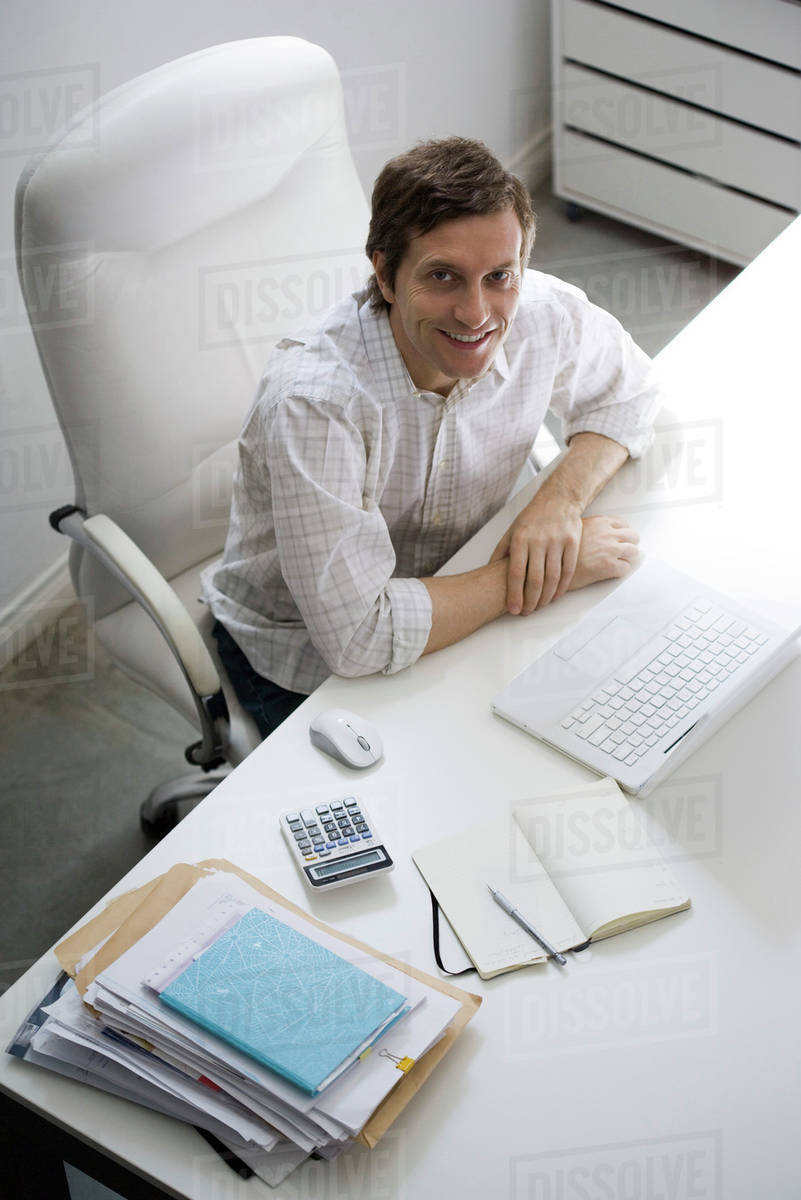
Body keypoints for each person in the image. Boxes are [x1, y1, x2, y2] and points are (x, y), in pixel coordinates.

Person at [202, 137, 660, 737]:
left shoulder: (542, 312)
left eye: (500, 275)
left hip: (469, 583)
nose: (477, 313)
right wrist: (555, 567)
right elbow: (359, 638)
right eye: (442, 276)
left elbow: (630, 394)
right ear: (385, 274)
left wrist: (560, 503)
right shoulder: (317, 404)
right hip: (309, 660)